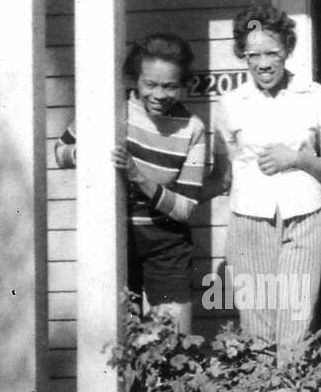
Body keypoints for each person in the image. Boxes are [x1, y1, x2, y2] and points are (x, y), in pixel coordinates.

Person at [55, 33, 224, 334]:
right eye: (151, 84)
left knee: (172, 345)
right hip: (116, 240)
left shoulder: (193, 129)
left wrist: (138, 177)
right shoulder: (109, 111)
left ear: (183, 83)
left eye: (170, 86)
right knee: (121, 338)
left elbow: (184, 209)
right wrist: (86, 153)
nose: (159, 94)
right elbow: (61, 152)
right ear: (136, 79)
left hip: (167, 245)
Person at [213, 3, 321, 357]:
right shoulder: (230, 103)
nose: (263, 63)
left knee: (296, 323)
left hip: (304, 218)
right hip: (249, 222)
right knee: (257, 326)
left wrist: (298, 158)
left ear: (288, 49)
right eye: (253, 54)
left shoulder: (314, 95)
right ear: (242, 54)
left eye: (272, 52)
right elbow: (225, 168)